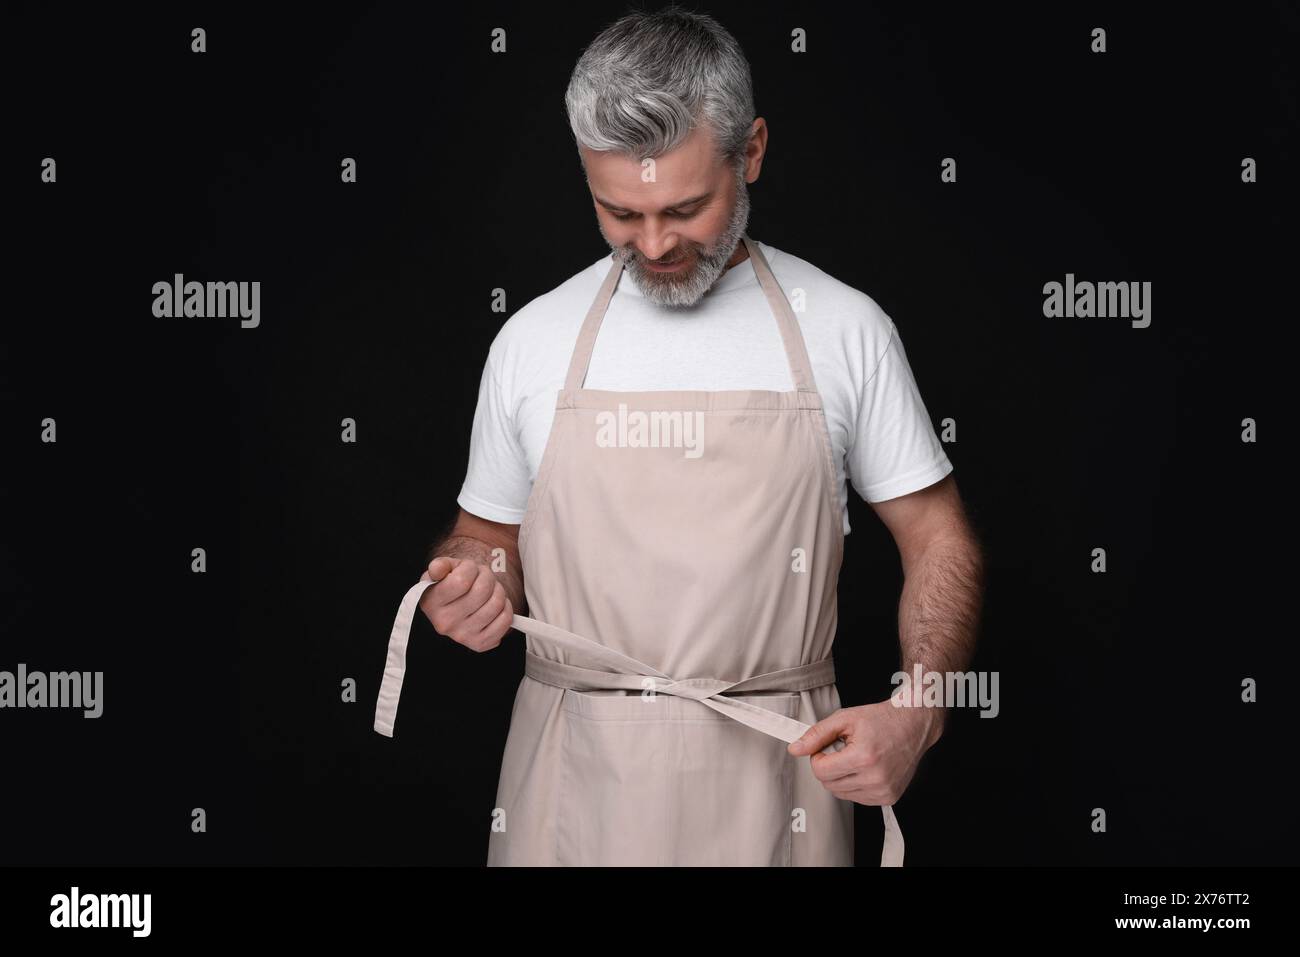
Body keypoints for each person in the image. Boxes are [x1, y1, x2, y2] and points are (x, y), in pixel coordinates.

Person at [375, 5, 984, 866]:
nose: (654, 243)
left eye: (685, 208)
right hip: (571, 790)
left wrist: (919, 709)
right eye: (618, 211)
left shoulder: (845, 328)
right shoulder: (533, 340)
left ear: (755, 151)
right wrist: (471, 581)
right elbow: (486, 540)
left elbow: (938, 538)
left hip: (784, 789)